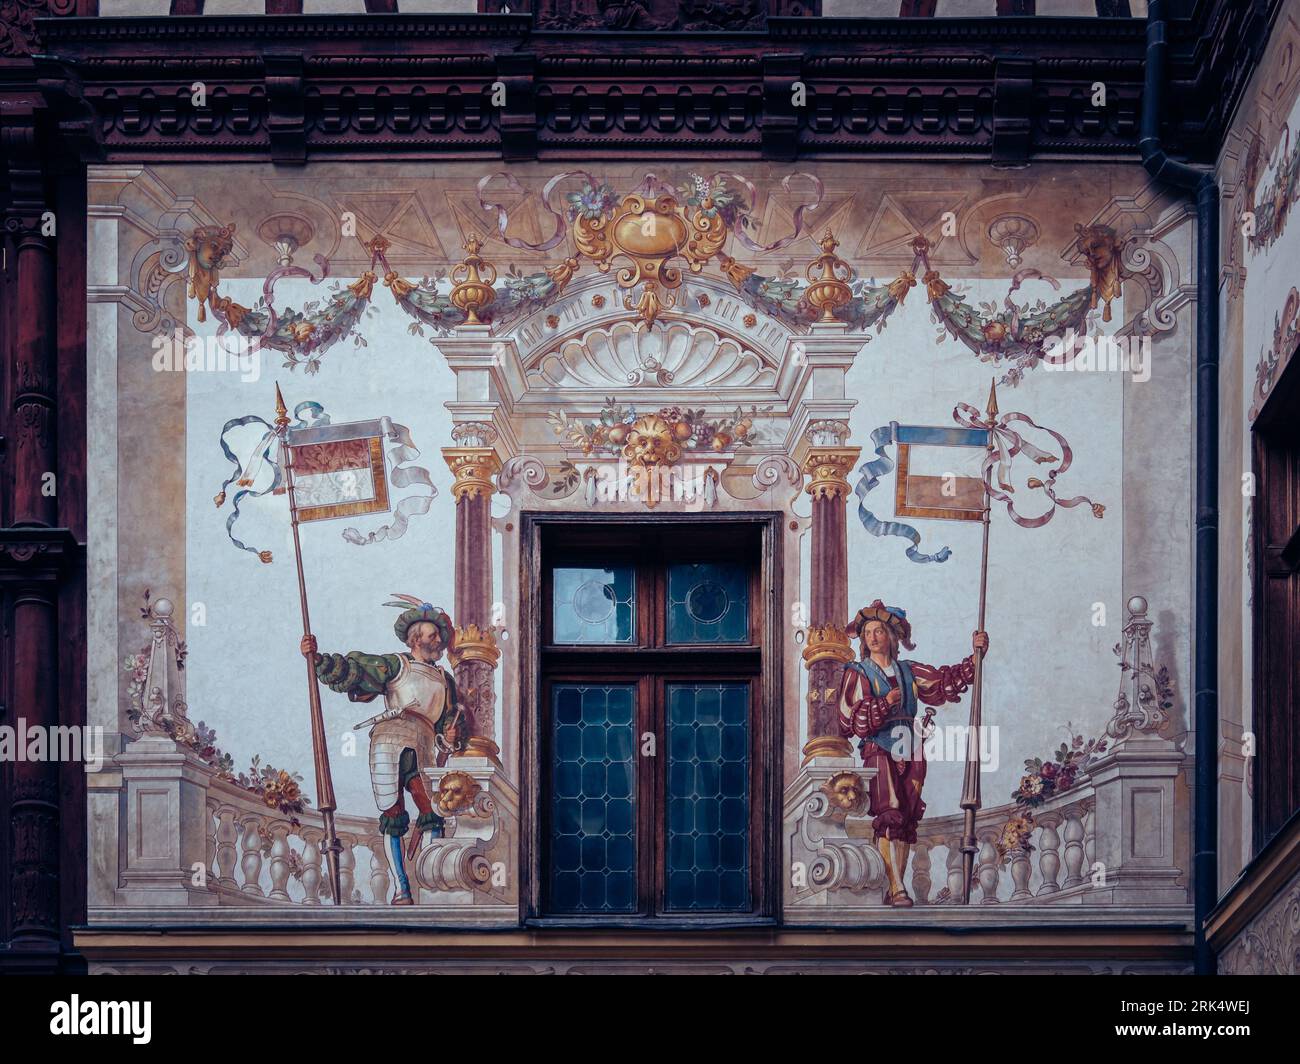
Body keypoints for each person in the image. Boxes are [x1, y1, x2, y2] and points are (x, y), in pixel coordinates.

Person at [300, 596, 467, 906]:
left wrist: (451, 735)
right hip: (390, 740)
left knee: (432, 812)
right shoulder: (395, 665)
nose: (437, 640)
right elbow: (357, 670)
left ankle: (423, 883)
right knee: (393, 812)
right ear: (415, 638)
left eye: (438, 636)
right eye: (431, 635)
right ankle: (401, 888)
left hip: (426, 746)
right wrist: (319, 658)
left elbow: (449, 725)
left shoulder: (446, 680)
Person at [837, 599, 989, 908]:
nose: (873, 637)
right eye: (868, 633)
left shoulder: (909, 671)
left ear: (892, 637)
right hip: (879, 745)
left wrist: (975, 655)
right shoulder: (858, 672)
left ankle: (898, 884)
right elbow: (848, 717)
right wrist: (884, 703)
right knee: (888, 812)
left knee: (905, 818)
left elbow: (942, 683)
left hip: (910, 743)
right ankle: (894, 885)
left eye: (879, 631)